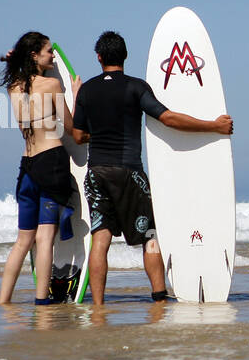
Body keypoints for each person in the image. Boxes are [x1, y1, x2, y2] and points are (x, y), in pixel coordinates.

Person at [70, 31, 232, 305]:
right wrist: (213, 126)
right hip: (129, 171)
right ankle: (158, 296)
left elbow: (77, 136)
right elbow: (167, 118)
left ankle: (98, 306)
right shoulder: (136, 87)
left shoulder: (86, 90)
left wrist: (92, 119)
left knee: (101, 239)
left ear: (99, 58)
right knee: (149, 235)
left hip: (97, 172)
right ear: (125, 55)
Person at [0, 31, 81, 305]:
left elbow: (10, 63)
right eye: (48, 51)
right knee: (45, 238)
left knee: (23, 241)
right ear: (34, 55)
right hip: (51, 161)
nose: (53, 55)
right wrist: (75, 95)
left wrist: (14, 57)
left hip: (27, 167)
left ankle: (3, 302)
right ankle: (42, 302)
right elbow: (71, 128)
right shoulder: (53, 85)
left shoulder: (14, 87)